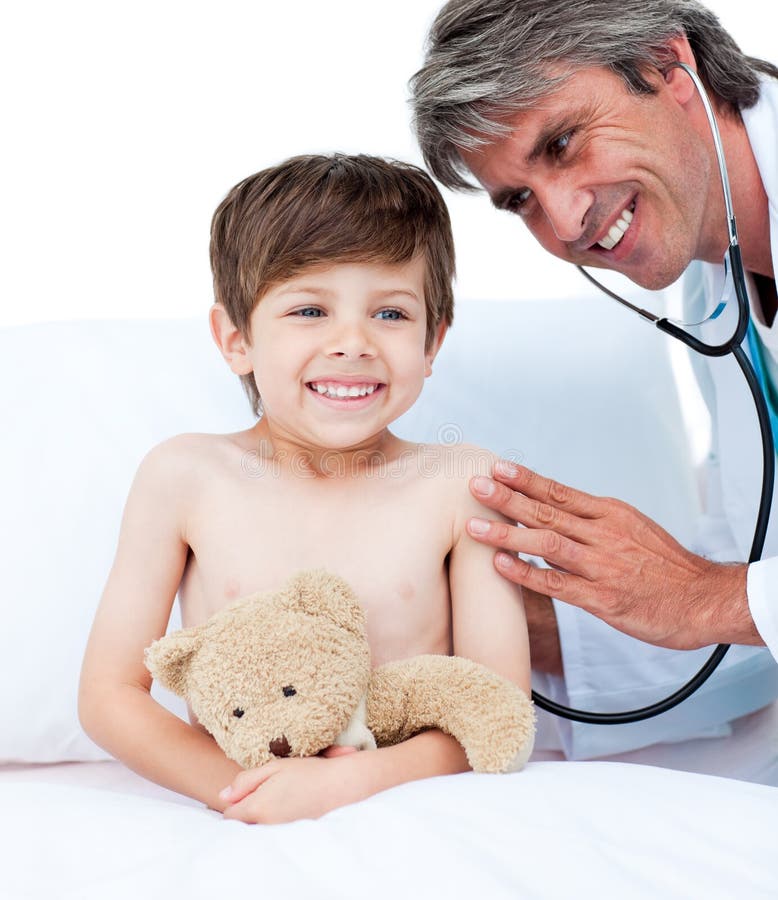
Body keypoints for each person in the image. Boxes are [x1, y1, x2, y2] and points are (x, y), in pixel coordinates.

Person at [78, 153, 531, 824]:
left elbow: (499, 704)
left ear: (433, 341)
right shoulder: (184, 478)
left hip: (408, 809)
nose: (352, 343)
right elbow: (109, 694)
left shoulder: (460, 485)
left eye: (391, 315)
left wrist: (358, 783)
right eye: (311, 309)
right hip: (243, 811)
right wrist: (243, 789)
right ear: (236, 340)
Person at [410, 0, 778, 761]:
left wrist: (711, 593)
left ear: (666, 64)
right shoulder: (713, 289)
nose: (567, 221)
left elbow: (733, 598)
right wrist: (503, 623)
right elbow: (745, 606)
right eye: (520, 201)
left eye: (563, 143)